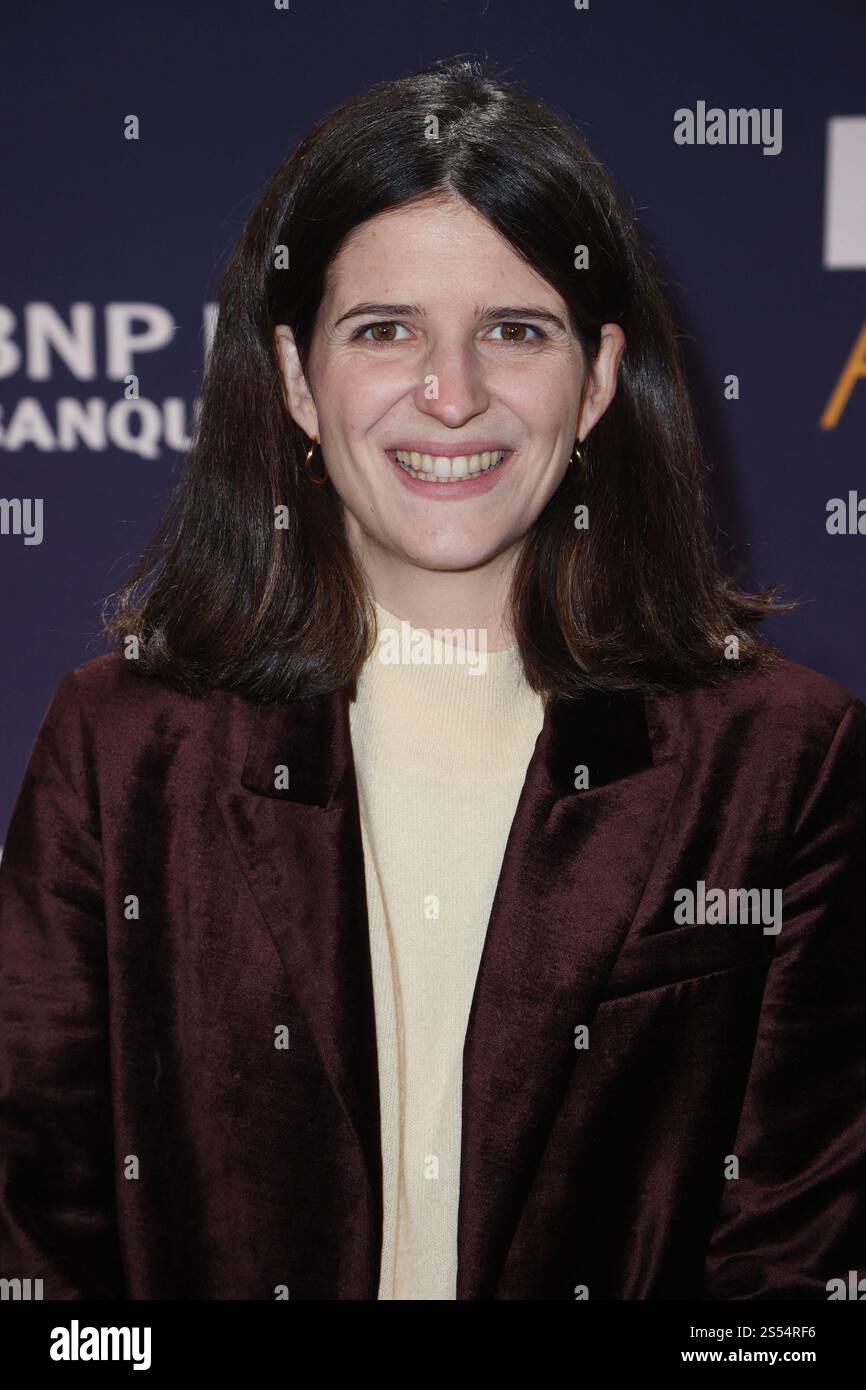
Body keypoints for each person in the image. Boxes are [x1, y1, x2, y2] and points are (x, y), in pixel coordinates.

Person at [1, 56, 864, 1302]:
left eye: (513, 331)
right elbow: (35, 1249)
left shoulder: (783, 760)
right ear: (297, 378)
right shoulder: (122, 745)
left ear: (598, 380)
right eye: (385, 330)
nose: (448, 395)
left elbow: (788, 1284)